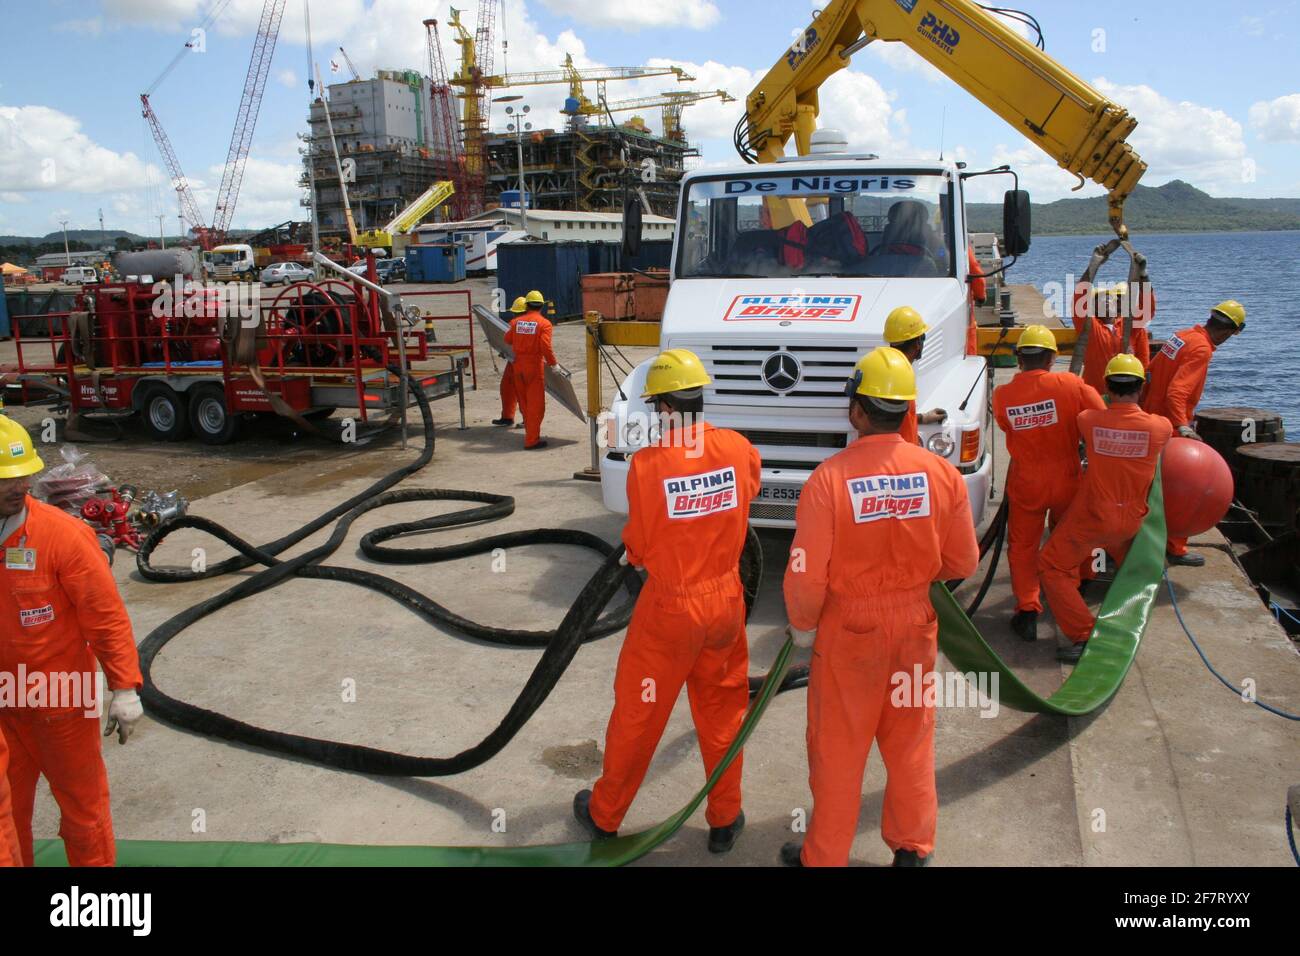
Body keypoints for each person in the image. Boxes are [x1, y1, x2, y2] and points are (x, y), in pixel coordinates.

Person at [781, 347, 979, 868]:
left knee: (839, 752)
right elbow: (963, 560)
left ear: (857, 410)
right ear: (907, 408)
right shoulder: (941, 474)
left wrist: (803, 625)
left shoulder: (828, 479)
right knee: (910, 743)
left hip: (850, 632)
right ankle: (912, 848)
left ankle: (823, 856)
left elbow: (806, 575)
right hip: (915, 626)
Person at [575, 349, 760, 853]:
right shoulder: (739, 448)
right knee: (723, 711)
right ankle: (725, 818)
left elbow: (640, 545)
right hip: (725, 601)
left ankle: (606, 814)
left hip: (672, 608)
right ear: (700, 397)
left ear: (663, 407)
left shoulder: (649, 465)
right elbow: (748, 494)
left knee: (640, 712)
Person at [0, 416, 143, 866]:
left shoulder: (62, 536)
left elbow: (105, 617)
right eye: (4, 480)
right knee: (5, 817)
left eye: (21, 479)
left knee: (83, 813)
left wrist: (123, 688)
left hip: (60, 700)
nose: (15, 488)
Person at [1038, 355, 1172, 662]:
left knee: (1052, 566)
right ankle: (1125, 622)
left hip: (1093, 517)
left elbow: (1088, 411)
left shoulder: (1089, 421)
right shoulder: (1159, 428)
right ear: (1141, 387)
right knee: (1135, 571)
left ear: (1108, 386)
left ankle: (1084, 634)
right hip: (1132, 521)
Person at [993, 325, 1105, 641]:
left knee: (1023, 546)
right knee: (1071, 534)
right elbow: (1102, 417)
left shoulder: (1003, 395)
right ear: (1053, 357)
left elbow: (1006, 425)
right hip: (1067, 476)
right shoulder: (1071, 384)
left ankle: (1028, 609)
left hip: (1027, 480)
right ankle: (1080, 582)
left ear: (1019, 359)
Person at [1140, 300, 1245, 567]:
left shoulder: (1181, 336)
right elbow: (1178, 392)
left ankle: (1143, 537)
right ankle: (1175, 547)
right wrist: (1183, 426)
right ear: (1229, 331)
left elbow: (1150, 373)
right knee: (1182, 488)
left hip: (1151, 419)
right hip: (1170, 426)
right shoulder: (1201, 349)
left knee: (1149, 486)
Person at [1070, 280, 1154, 396]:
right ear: (1093, 308)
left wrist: (1145, 285)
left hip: (1126, 392)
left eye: (1110, 299)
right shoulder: (1091, 329)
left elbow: (1146, 312)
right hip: (1096, 394)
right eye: (1100, 300)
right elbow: (1078, 311)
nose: (1106, 302)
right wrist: (1084, 283)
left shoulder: (1128, 326)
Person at [883, 306, 946, 445]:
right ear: (918, 343)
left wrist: (924, 418)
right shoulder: (900, 376)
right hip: (901, 459)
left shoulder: (887, 370)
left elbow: (891, 417)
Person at [504, 289, 558, 450]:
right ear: (541, 306)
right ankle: (531, 440)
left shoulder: (516, 322)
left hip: (517, 366)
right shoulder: (544, 324)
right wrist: (553, 364)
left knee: (525, 402)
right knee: (536, 406)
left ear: (526, 305)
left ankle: (530, 434)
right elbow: (545, 346)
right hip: (534, 367)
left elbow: (507, 339)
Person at [491, 297, 525, 427]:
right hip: (513, 360)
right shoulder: (516, 324)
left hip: (523, 362)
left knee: (522, 391)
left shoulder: (519, 324)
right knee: (507, 387)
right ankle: (507, 417)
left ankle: (528, 419)